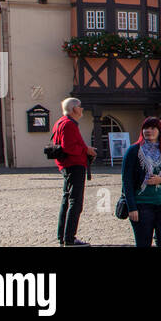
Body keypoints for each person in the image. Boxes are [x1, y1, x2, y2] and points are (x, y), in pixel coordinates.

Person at [121, 117, 161, 247]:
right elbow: (127, 181)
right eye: (146, 128)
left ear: (159, 131)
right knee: (143, 244)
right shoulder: (133, 151)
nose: (149, 131)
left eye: (153, 128)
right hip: (142, 205)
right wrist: (132, 208)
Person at [51, 97, 96, 246]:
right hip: (74, 165)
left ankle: (63, 236)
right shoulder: (69, 124)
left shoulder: (61, 122)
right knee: (75, 202)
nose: (82, 109)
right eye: (80, 106)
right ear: (75, 109)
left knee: (67, 201)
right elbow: (68, 147)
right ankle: (69, 238)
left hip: (68, 165)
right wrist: (86, 150)